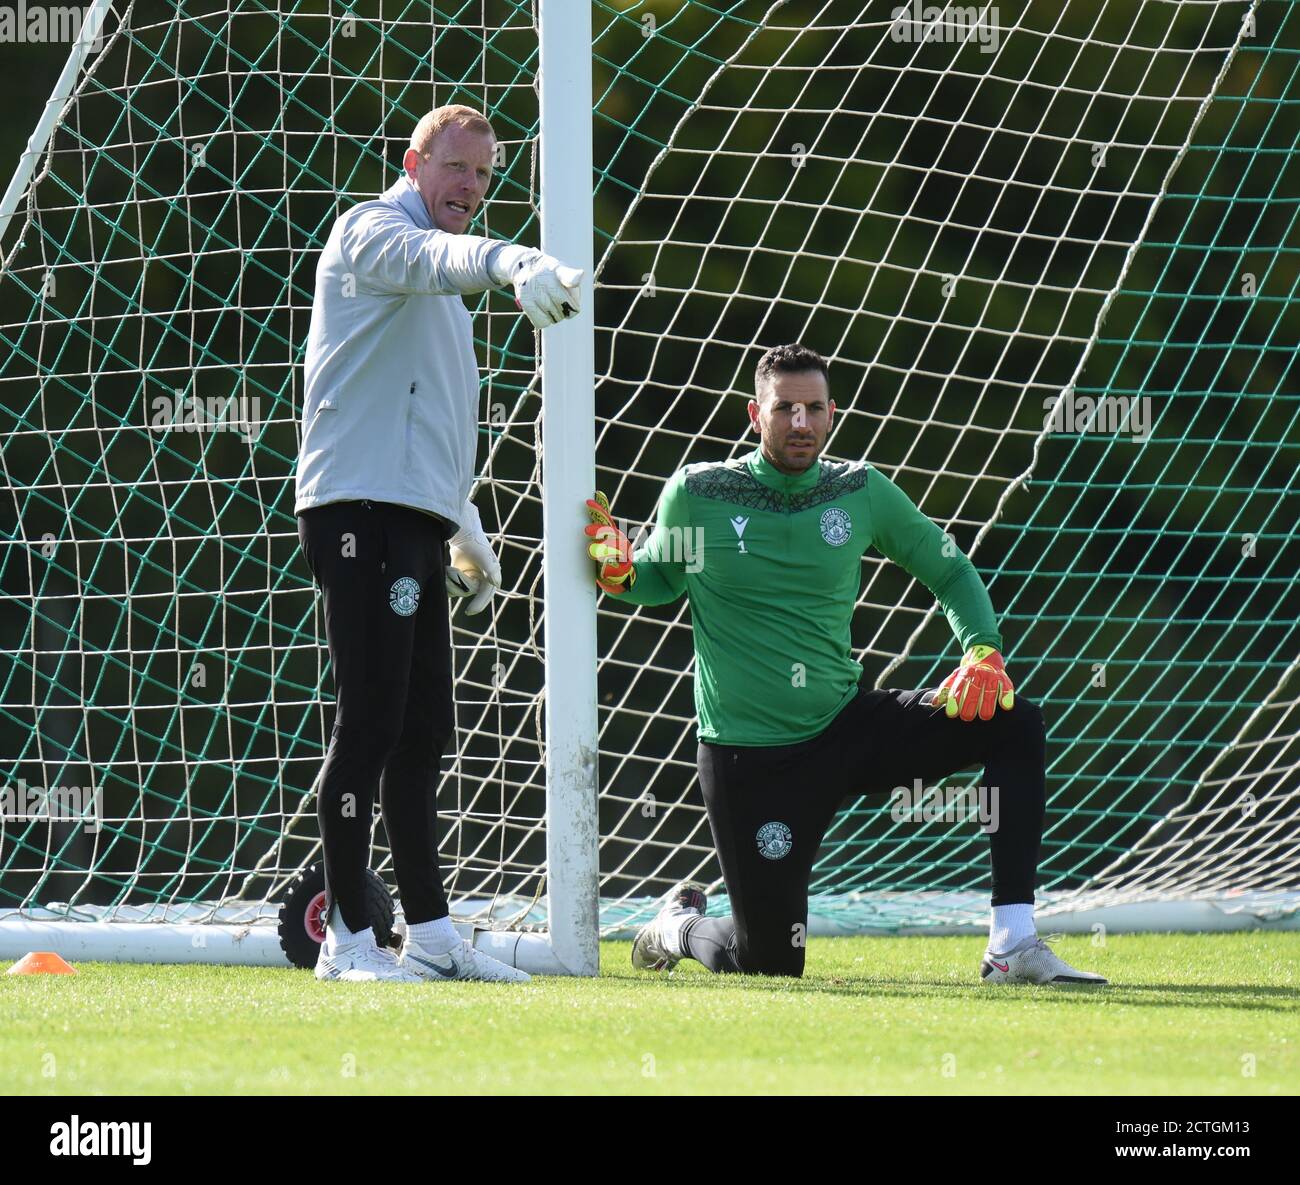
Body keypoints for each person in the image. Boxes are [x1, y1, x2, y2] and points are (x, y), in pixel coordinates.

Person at [585, 343, 1105, 985]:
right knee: (769, 963)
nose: (799, 423)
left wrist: (982, 650)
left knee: (1012, 720)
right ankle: (679, 927)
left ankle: (1013, 943)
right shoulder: (698, 491)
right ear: (756, 414)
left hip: (844, 727)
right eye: (785, 410)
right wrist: (619, 569)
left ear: (832, 414)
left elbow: (947, 566)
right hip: (750, 759)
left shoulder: (860, 491)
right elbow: (658, 579)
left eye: (812, 409)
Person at [296, 104, 582, 983]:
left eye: (485, 176)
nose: (470, 188)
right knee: (370, 722)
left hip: (413, 516)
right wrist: (513, 258)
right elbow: (433, 259)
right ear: (414, 163)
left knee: (424, 730)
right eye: (456, 168)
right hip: (357, 512)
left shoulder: (447, 291)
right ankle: (345, 940)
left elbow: (430, 412)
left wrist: (462, 522)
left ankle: (431, 932)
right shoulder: (370, 232)